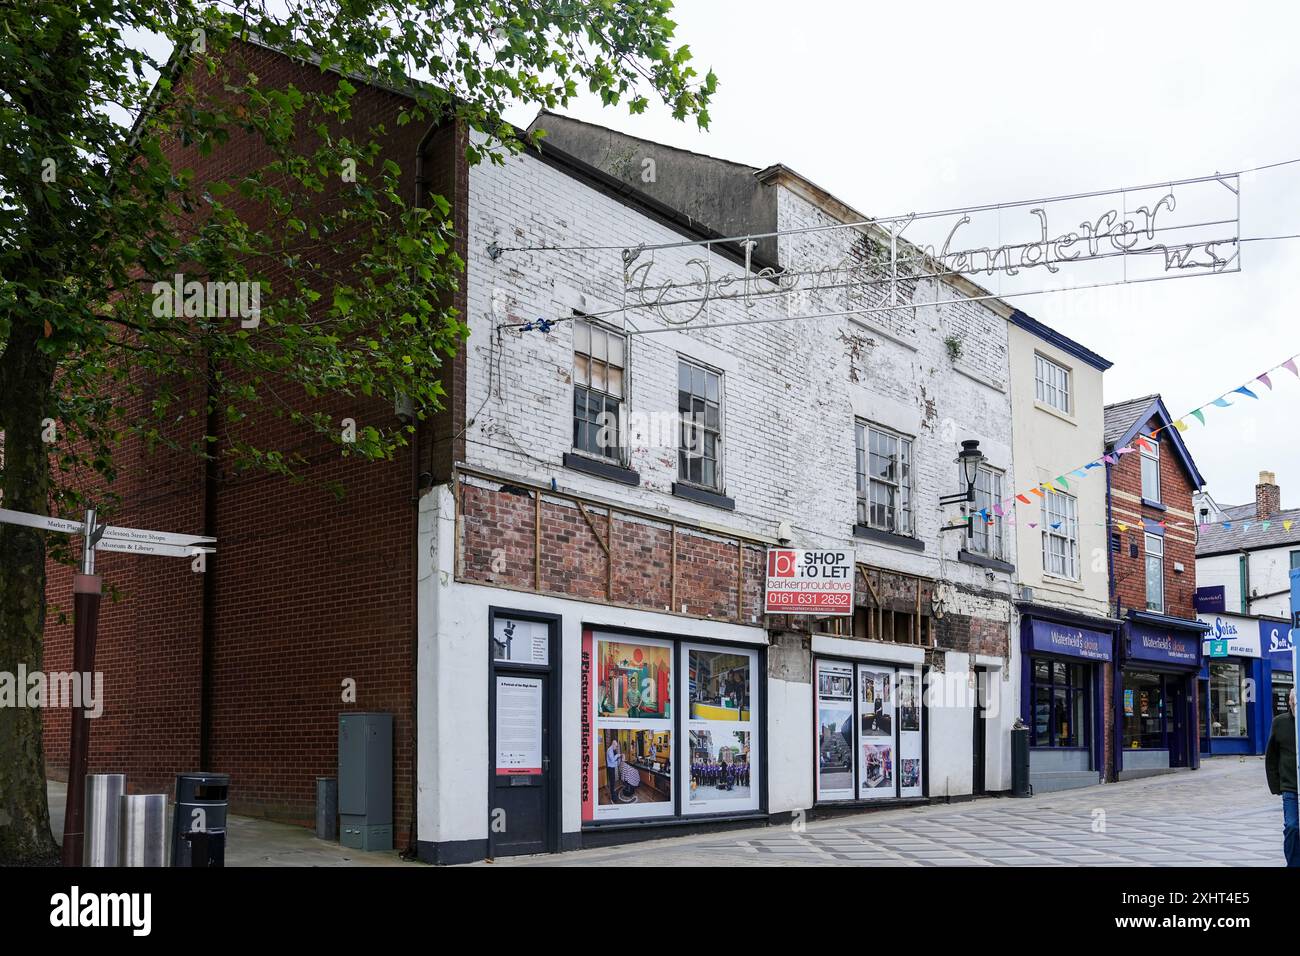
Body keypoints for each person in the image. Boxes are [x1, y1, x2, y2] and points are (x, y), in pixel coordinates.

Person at [1265, 687, 1298, 867]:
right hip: (1290, 786)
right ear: (1289, 702)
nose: (1295, 704)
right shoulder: (1280, 722)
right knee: (1292, 826)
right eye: (1293, 701)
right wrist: (1276, 785)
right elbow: (1271, 756)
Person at [606, 737, 622, 803]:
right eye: (616, 746)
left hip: (612, 767)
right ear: (613, 744)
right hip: (610, 768)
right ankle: (613, 797)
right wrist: (618, 755)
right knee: (612, 782)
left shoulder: (612, 750)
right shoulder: (609, 750)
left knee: (613, 782)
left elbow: (613, 761)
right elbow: (612, 760)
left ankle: (613, 793)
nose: (616, 747)